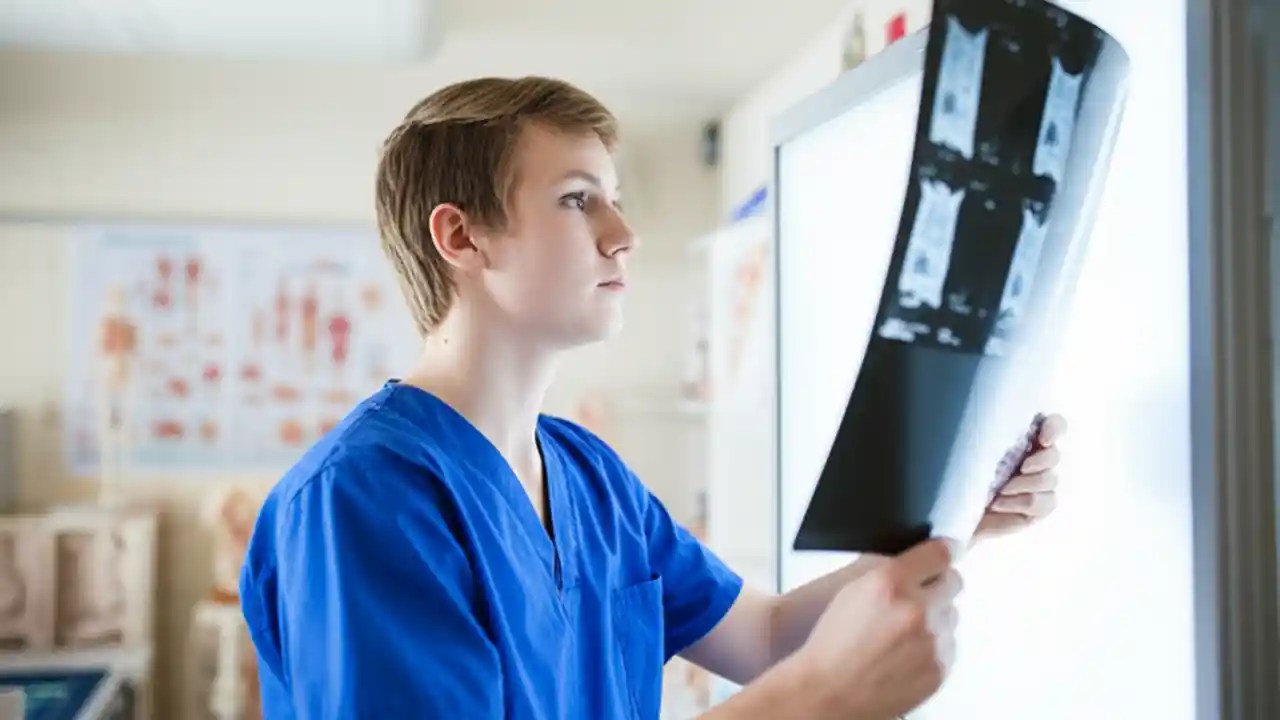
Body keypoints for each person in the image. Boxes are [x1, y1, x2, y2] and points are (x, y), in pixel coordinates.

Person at [239, 76, 1065, 719]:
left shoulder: (588, 476)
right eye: (576, 199)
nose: (623, 233)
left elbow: (770, 636)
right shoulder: (363, 499)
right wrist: (818, 700)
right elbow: (797, 675)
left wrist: (960, 518)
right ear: (462, 236)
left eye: (614, 197)